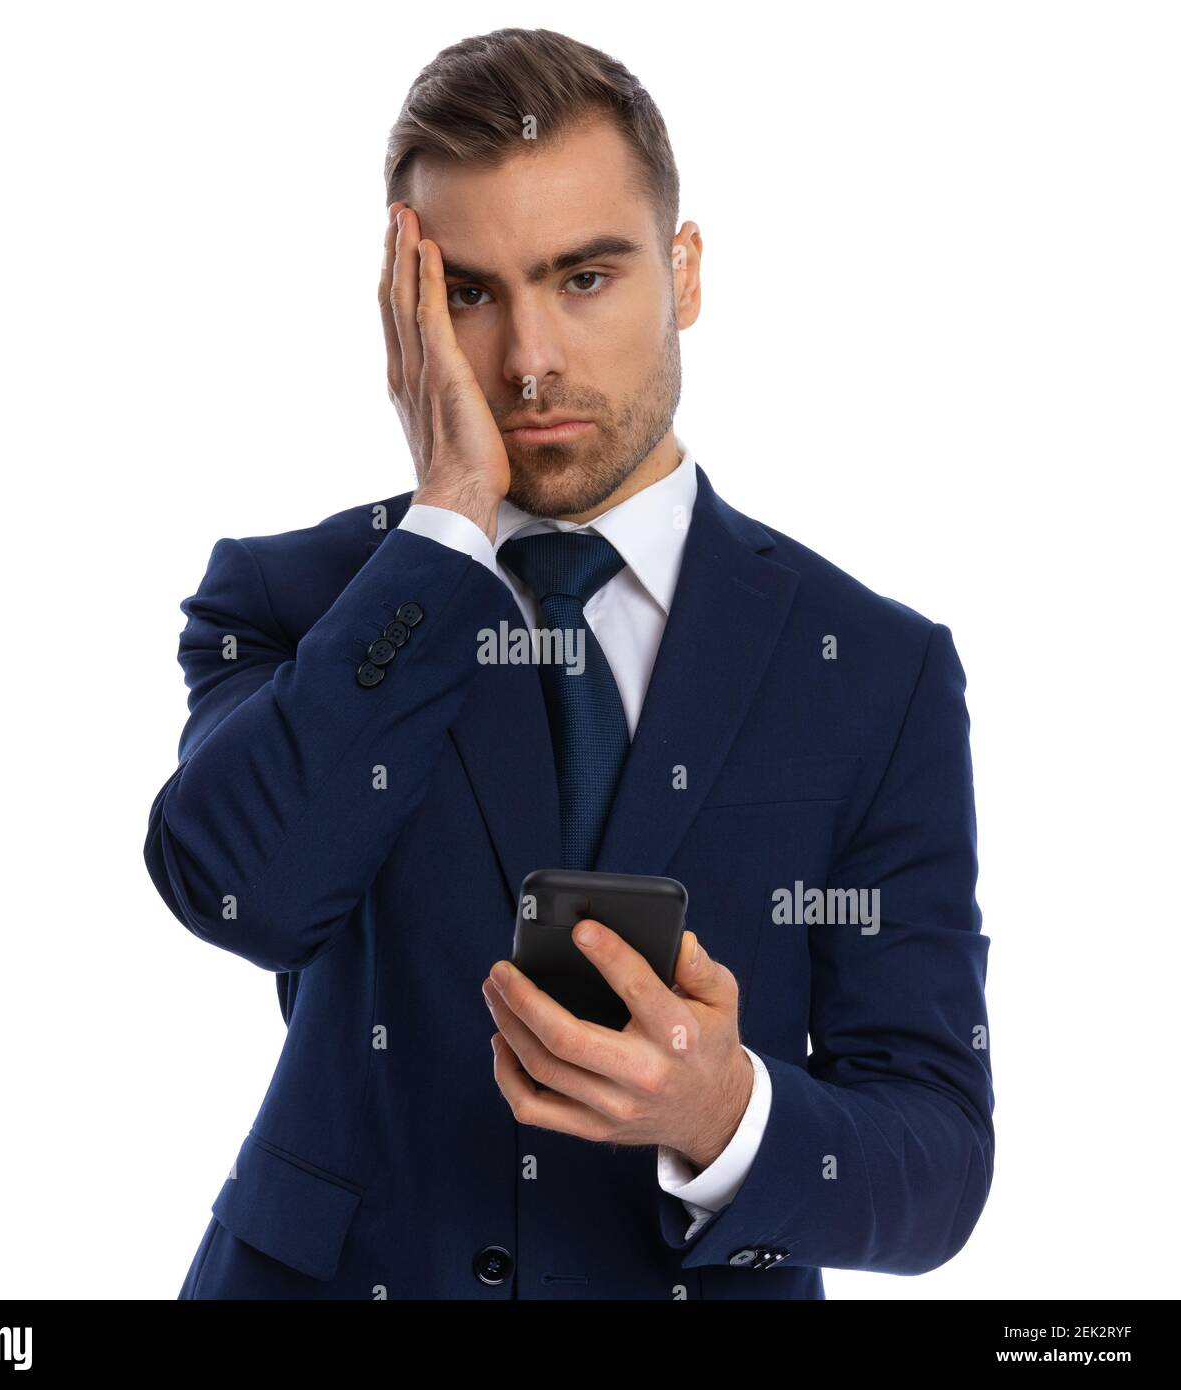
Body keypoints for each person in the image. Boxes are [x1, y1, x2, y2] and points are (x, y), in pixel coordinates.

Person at [145, 26, 994, 1300]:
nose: (529, 360)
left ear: (685, 270)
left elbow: (936, 1159)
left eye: (584, 279)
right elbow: (239, 896)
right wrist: (443, 525)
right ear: (406, 311)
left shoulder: (875, 670)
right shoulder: (295, 600)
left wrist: (727, 1112)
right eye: (472, 295)